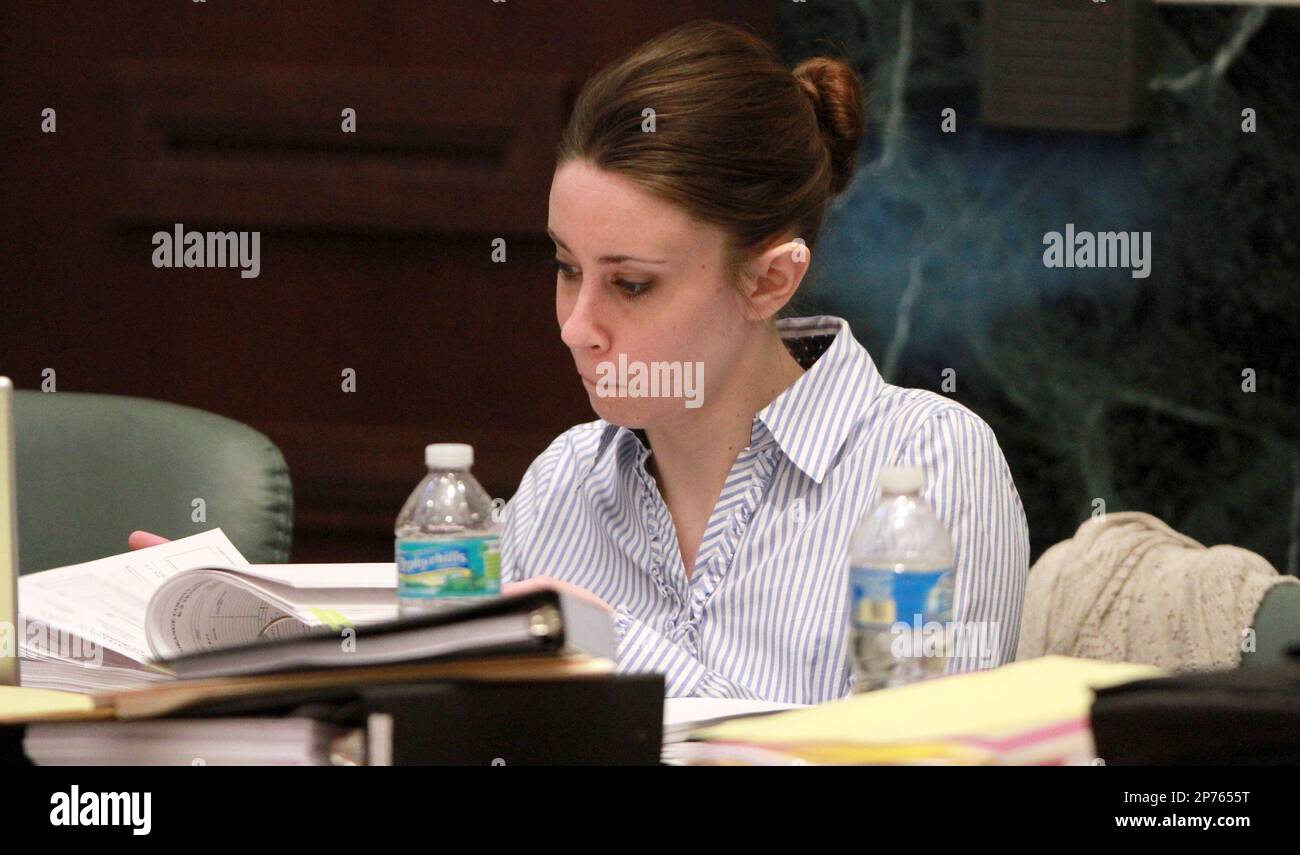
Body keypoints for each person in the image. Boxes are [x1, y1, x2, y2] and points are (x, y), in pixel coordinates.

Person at [135, 20, 1030, 705]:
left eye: (631, 285)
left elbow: (928, 763)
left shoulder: (929, 468)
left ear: (769, 280)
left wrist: (606, 648)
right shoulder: (562, 482)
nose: (576, 325)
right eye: (566, 268)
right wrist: (261, 653)